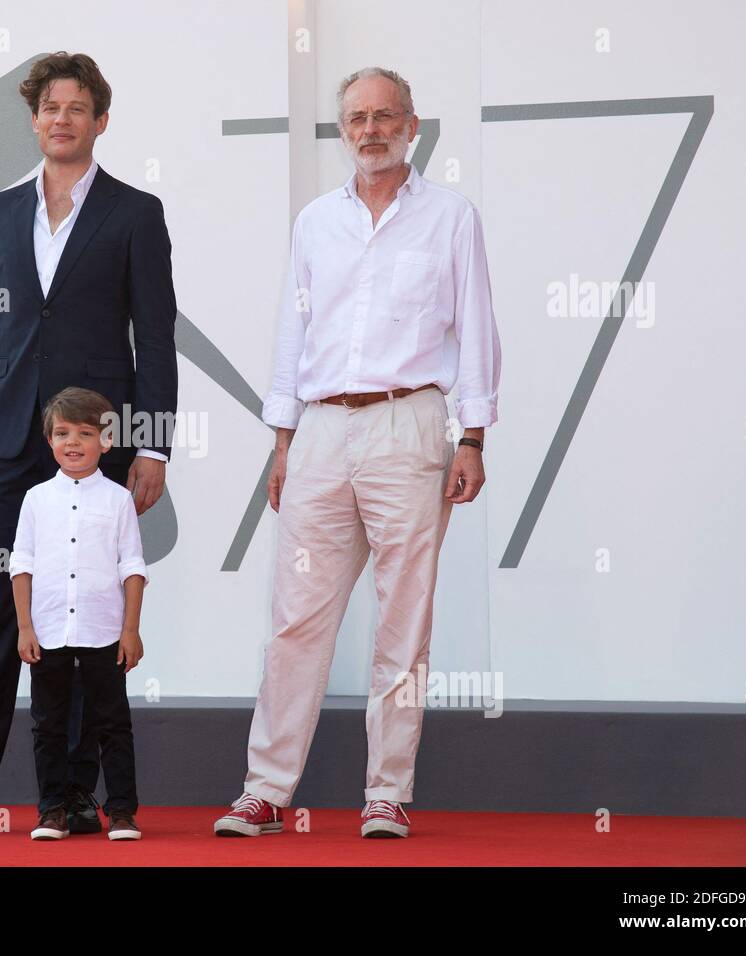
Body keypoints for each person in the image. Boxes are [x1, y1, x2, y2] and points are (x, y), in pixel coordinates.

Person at [0, 52, 176, 836]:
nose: (62, 118)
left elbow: (154, 338)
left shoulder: (135, 213)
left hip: (101, 444)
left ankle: (74, 795)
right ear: (33, 118)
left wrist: (152, 448)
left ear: (100, 121)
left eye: (78, 107)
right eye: (50, 106)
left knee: (86, 616)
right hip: (9, 443)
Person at [213, 67, 501, 839]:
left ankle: (387, 792)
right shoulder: (315, 222)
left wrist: (472, 435)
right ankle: (266, 789)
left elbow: (476, 329)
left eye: (383, 116)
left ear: (413, 124)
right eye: (355, 119)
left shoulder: (450, 217)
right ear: (342, 130)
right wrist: (283, 439)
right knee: (294, 618)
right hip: (319, 430)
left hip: (411, 424)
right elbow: (291, 334)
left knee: (403, 619)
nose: (369, 130)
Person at [10, 387, 147, 841]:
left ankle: (123, 811)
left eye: (85, 433)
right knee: (47, 724)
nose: (73, 442)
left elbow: (132, 568)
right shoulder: (35, 499)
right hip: (48, 630)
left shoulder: (117, 500)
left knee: (113, 722)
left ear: (106, 441)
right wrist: (25, 627)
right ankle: (53, 810)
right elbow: (22, 564)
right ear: (48, 439)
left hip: (103, 630)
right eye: (63, 432)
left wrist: (131, 630)